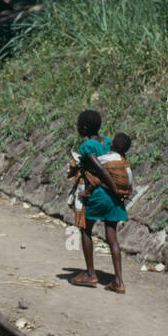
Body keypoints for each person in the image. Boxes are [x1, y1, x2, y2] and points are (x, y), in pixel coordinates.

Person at [67, 109, 127, 292]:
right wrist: (117, 191)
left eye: (79, 125)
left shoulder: (88, 147)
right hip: (114, 198)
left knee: (86, 229)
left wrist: (112, 187)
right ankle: (118, 281)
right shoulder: (110, 143)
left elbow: (101, 169)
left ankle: (90, 274)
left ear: (84, 127)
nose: (77, 127)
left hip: (99, 193)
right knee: (112, 237)